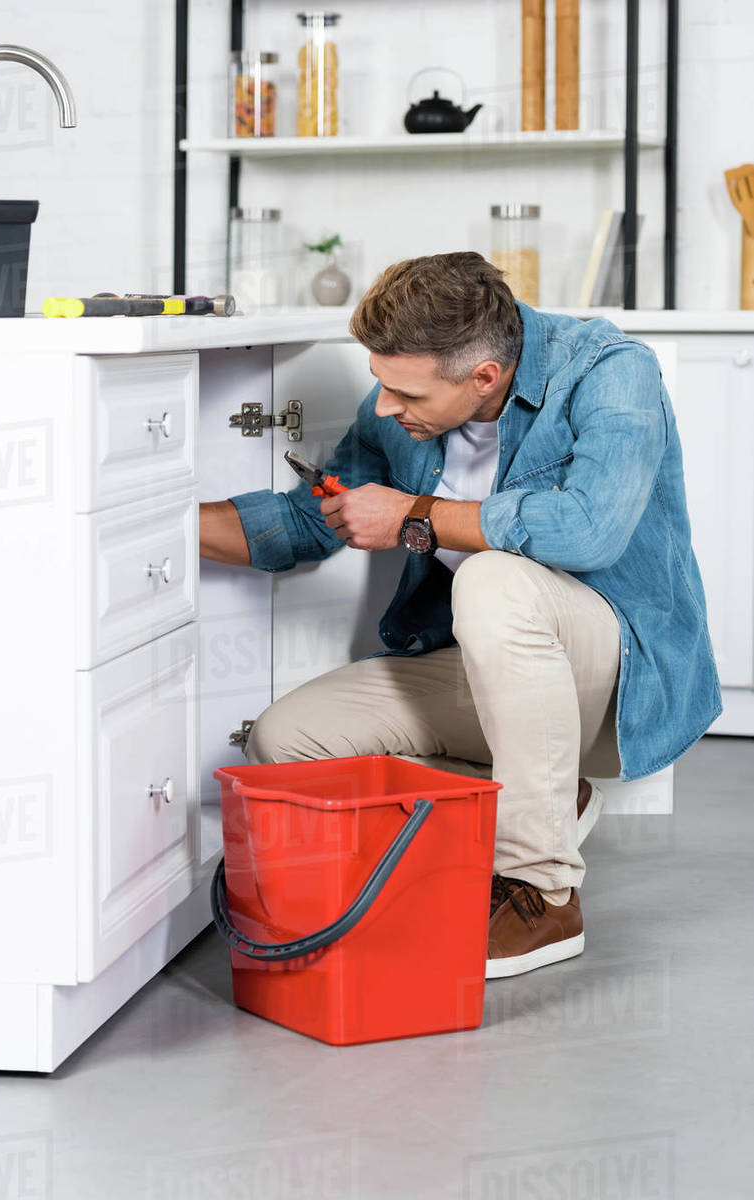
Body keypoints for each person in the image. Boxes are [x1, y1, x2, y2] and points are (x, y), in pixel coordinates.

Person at [199, 251, 721, 978]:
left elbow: (587, 530)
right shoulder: (402, 413)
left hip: (620, 679)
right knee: (288, 743)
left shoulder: (607, 372)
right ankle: (548, 798)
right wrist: (141, 523)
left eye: (405, 393)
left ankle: (542, 891)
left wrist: (415, 514)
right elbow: (309, 521)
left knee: (492, 580)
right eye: (380, 384)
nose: (383, 407)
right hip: (509, 678)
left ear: (483, 376)